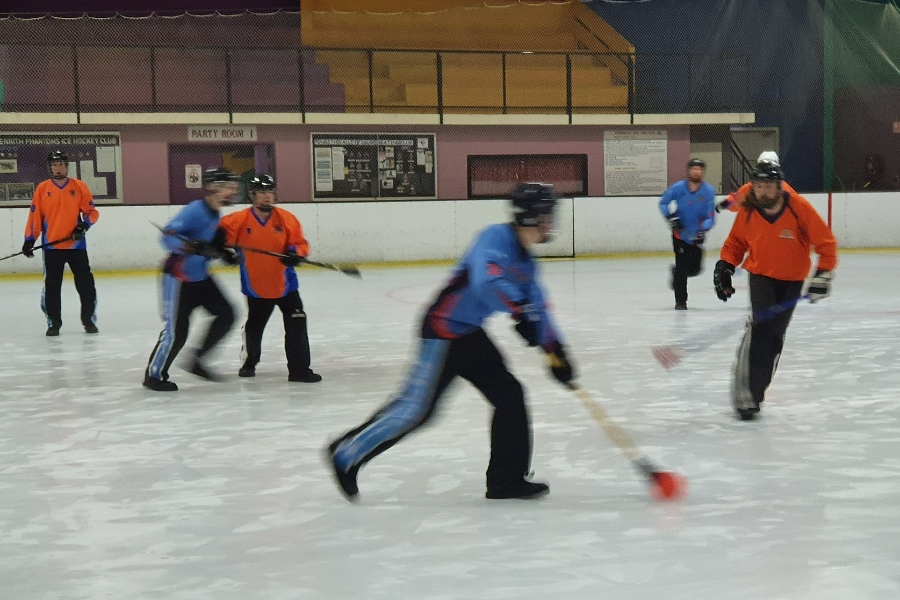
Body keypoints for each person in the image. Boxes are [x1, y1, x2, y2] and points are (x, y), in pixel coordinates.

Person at [326, 182, 575, 502]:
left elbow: (538, 307)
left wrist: (555, 349)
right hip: (442, 328)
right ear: (530, 216)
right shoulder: (494, 237)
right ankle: (346, 451)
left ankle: (506, 481)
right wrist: (520, 309)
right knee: (416, 409)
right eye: (546, 215)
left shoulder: (527, 263)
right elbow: (487, 280)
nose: (551, 223)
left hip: (469, 332)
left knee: (509, 396)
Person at [713, 163, 838, 420]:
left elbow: (826, 243)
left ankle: (756, 393)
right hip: (761, 277)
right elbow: (736, 242)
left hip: (792, 281)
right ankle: (746, 395)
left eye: (769, 186)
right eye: (758, 186)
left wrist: (823, 274)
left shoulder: (799, 208)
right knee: (761, 331)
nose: (763, 191)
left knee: (774, 338)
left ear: (779, 187)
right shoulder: (748, 210)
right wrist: (725, 265)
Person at [142, 167, 240, 392]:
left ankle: (197, 359)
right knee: (177, 332)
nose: (234, 191)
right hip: (178, 279)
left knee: (226, 314)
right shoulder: (194, 210)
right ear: (214, 188)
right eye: (229, 187)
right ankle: (154, 376)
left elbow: (206, 247)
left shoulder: (215, 214)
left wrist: (222, 253)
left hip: (200, 278)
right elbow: (167, 239)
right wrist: (188, 246)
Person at [218, 174, 322, 383]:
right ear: (252, 195)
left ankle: (300, 370)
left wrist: (295, 253)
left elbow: (300, 243)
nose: (267, 196)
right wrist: (223, 252)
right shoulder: (238, 220)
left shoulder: (286, 218)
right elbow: (218, 237)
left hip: (285, 285)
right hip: (256, 287)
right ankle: (249, 362)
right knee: (255, 327)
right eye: (261, 192)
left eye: (270, 192)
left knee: (297, 323)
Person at [22, 150, 100, 336]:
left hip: (76, 246)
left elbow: (91, 212)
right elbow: (35, 217)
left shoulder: (78, 186)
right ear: (50, 167)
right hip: (52, 247)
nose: (58, 168)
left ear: (66, 166)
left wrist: (83, 226)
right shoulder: (42, 189)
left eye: (62, 164)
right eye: (55, 165)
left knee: (86, 286)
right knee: (52, 288)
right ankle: (54, 323)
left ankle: (88, 320)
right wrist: (29, 239)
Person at [658, 158, 716, 310]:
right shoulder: (678, 188)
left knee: (695, 269)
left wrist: (703, 229)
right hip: (680, 235)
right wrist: (671, 218)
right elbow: (663, 203)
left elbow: (710, 215)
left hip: (697, 236)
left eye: (699, 170)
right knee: (682, 267)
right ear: (688, 171)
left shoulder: (708, 191)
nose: (696, 172)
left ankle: (676, 273)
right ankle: (681, 302)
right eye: (694, 169)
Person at [716, 151, 797, 213]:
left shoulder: (783, 188)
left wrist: (725, 204)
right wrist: (725, 204)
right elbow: (738, 199)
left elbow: (795, 203)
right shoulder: (751, 187)